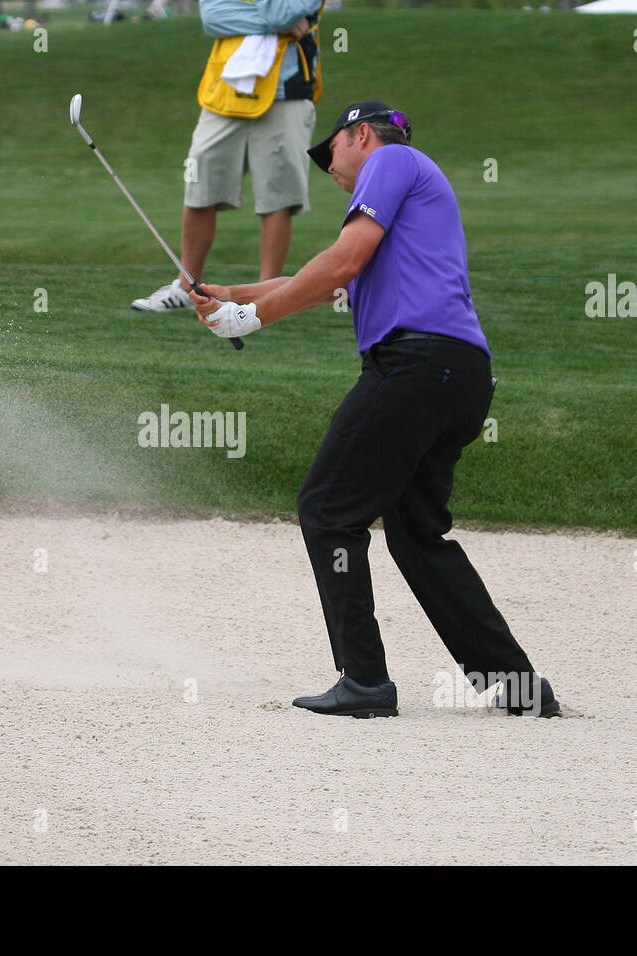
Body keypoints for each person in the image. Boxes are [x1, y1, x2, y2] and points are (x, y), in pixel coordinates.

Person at [192, 100, 562, 719]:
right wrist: (227, 296)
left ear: (361, 135)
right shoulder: (406, 206)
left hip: (414, 368)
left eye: (330, 151)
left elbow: (343, 261)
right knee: (417, 536)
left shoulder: (391, 160)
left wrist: (251, 319)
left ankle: (364, 682)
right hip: (459, 374)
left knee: (327, 510)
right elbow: (336, 280)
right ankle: (516, 686)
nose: (328, 168)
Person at [131, 0, 324, 314]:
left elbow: (284, 13)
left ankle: (266, 297)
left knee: (278, 196)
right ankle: (185, 286)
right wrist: (277, 24)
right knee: (201, 183)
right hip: (226, 89)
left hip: (287, 91)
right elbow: (213, 17)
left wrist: (268, 18)